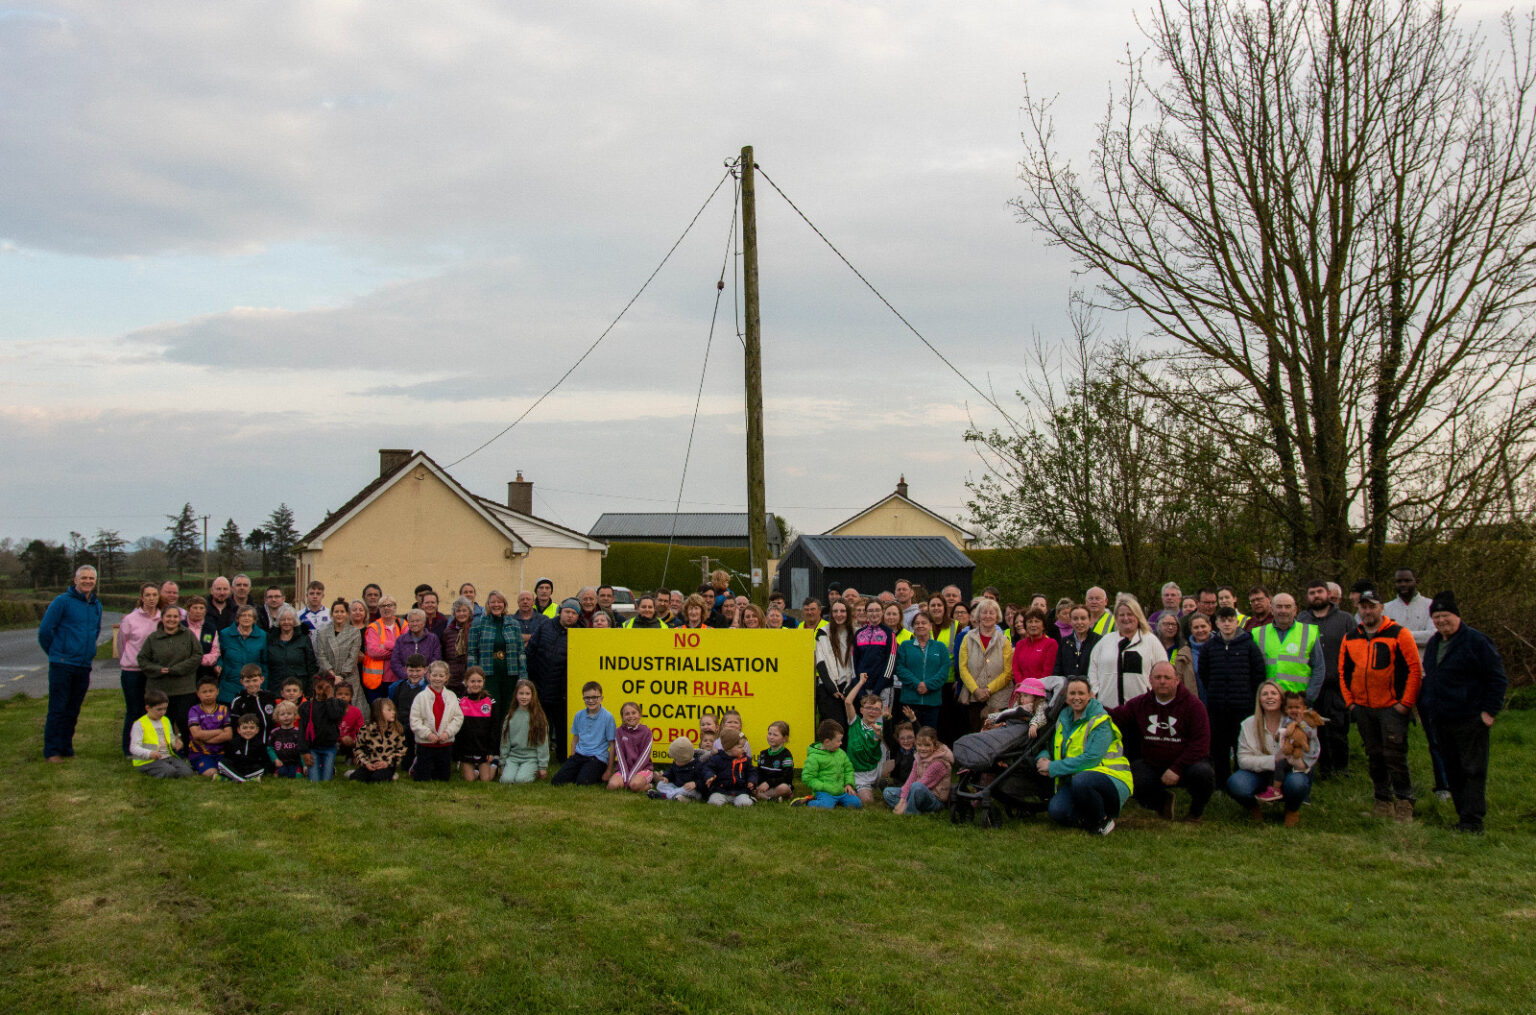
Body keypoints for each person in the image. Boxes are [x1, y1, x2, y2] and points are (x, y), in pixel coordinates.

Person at [1420, 591, 1506, 833]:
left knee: (1473, 770)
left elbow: (1497, 678)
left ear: (1456, 616)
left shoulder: (1476, 641)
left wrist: (1489, 712)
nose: (1441, 621)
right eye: (1436, 617)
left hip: (1470, 719)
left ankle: (1473, 821)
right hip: (1442, 718)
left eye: (1445, 615)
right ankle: (1463, 817)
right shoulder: (1436, 642)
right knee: (1453, 769)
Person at [1341, 589, 1423, 822]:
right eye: (1363, 607)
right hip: (1363, 707)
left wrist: (1405, 704)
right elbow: (1343, 671)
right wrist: (1351, 704)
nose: (1367, 611)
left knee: (1395, 755)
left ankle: (1405, 802)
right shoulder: (1351, 637)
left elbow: (1414, 670)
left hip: (1391, 707)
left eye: (1372, 606)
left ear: (1381, 608)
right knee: (1374, 755)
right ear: (1359, 609)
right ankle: (1382, 801)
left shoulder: (1399, 634)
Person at [1110, 661, 1214, 822]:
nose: (1162, 681)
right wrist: (1091, 704)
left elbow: (1200, 744)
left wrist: (1177, 768)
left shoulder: (1194, 706)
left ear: (1177, 680)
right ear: (1150, 680)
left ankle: (1195, 812)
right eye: (1158, 677)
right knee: (1130, 776)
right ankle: (1161, 802)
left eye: (1167, 677)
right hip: (1153, 763)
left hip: (1186, 765)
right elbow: (1117, 717)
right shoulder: (1140, 703)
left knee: (1204, 774)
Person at [1035, 675, 1132, 834]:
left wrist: (1052, 767)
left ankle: (1102, 820)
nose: (1076, 697)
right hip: (1076, 780)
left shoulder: (1101, 721)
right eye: (1072, 693)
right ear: (1066, 697)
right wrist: (1043, 758)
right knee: (1057, 811)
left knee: (1082, 780)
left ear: (1090, 696)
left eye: (1081, 693)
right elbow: (1050, 746)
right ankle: (1088, 818)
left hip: (1111, 778)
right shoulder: (1063, 718)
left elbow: (1090, 760)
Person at [1197, 606, 1267, 784]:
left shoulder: (1249, 645)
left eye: (1231, 620)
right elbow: (1204, 673)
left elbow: (1258, 673)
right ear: (1216, 623)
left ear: (1237, 622)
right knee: (1219, 745)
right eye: (1223, 620)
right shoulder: (1209, 647)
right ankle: (1221, 782)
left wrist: (1250, 697)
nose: (1227, 624)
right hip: (1217, 706)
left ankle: (1240, 779)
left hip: (1243, 706)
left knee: (1241, 744)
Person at [1298, 578, 1356, 779]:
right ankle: (1321, 768)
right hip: (1311, 685)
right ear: (1307, 597)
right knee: (1313, 728)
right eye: (1312, 593)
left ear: (1327, 594)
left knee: (1337, 728)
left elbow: (1356, 651)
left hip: (1337, 684)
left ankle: (1341, 769)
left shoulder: (1345, 619)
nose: (1316, 596)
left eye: (1319, 592)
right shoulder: (1302, 620)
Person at [1226, 681, 1308, 824]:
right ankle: (1253, 809)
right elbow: (1243, 760)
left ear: (1281, 698)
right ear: (1259, 700)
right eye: (1265, 694)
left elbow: (1306, 756)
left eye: (1274, 693)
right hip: (1258, 774)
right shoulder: (1248, 724)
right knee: (1236, 783)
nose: (1269, 697)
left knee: (1298, 782)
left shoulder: (1293, 723)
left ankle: (1292, 809)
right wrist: (1274, 760)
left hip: (1288, 773)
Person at [137, 601, 202, 748]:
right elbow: (142, 659)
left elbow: (197, 656)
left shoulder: (188, 635)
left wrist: (177, 669)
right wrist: (158, 669)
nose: (172, 619)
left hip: (184, 689)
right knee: (162, 723)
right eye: (168, 616)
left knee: (184, 721)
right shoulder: (153, 638)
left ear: (180, 618)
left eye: (175, 616)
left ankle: (186, 751)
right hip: (159, 689)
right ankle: (162, 751)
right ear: (162, 618)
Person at [1087, 597, 1167, 709]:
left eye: (1130, 614)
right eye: (1121, 615)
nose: (1126, 618)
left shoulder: (1150, 641)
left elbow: (1164, 670)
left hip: (1142, 708)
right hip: (1107, 708)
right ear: (1116, 618)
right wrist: (1095, 692)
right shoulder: (1105, 641)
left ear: (1137, 616)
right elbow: (1093, 670)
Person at [528, 599, 579, 762]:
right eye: (567, 612)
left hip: (561, 691)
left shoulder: (580, 634)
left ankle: (563, 757)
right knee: (538, 724)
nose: (570, 616)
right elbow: (531, 650)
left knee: (563, 726)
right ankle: (534, 756)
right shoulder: (545, 626)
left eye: (574, 613)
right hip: (539, 684)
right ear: (561, 611)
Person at [115, 582, 162, 757]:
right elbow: (122, 644)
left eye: (154, 595)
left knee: (150, 710)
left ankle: (148, 746)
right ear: (141, 597)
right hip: (133, 671)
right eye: (147, 595)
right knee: (134, 710)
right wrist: (129, 660)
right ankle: (128, 748)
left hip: (153, 671)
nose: (151, 599)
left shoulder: (162, 618)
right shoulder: (130, 619)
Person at [959, 598, 1013, 729]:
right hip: (974, 697)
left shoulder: (1004, 640)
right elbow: (963, 668)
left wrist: (989, 689)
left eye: (991, 612)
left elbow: (1008, 672)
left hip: (998, 699)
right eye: (984, 612)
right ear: (978, 615)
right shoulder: (968, 638)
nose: (987, 616)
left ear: (997, 616)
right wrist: (975, 690)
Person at [895, 611, 951, 732]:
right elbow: (900, 668)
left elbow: (944, 670)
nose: (920, 625)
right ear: (913, 627)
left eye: (924, 623)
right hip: (910, 701)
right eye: (917, 623)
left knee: (929, 737)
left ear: (930, 625)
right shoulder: (905, 646)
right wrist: (917, 684)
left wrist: (927, 685)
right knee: (909, 735)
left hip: (932, 701)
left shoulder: (940, 647)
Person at [551, 681, 615, 786]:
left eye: (595, 697)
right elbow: (575, 740)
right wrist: (572, 759)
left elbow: (612, 745)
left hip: (597, 757)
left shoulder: (608, 717)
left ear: (601, 698)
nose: (591, 701)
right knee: (557, 781)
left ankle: (592, 772)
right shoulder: (579, 715)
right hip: (579, 755)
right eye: (587, 698)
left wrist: (609, 770)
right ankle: (580, 770)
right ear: (583, 699)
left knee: (582, 782)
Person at [409, 660, 462, 782]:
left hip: (445, 742)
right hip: (426, 743)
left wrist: (447, 733)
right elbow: (415, 720)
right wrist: (428, 734)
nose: (437, 678)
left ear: (447, 677)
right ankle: (416, 764)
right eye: (434, 675)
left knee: (443, 778)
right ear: (428, 676)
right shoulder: (420, 697)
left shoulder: (451, 696)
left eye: (441, 676)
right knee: (422, 778)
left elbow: (458, 718)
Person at [883, 726, 953, 815]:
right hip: (915, 793)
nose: (923, 748)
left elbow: (923, 783)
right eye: (920, 745)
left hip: (933, 799)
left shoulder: (939, 763)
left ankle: (910, 812)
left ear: (934, 746)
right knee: (888, 792)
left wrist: (904, 800)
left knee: (917, 786)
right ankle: (910, 807)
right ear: (916, 745)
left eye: (927, 745)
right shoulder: (918, 758)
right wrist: (902, 800)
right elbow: (910, 780)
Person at [128, 690, 195, 778]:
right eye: (159, 709)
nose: (162, 712)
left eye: (165, 709)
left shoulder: (165, 720)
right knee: (170, 772)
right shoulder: (139, 724)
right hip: (148, 760)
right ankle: (159, 770)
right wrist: (149, 753)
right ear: (148, 708)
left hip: (167, 756)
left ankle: (168, 769)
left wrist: (176, 742)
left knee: (187, 772)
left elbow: (170, 736)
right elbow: (133, 747)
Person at [498, 679, 550, 784]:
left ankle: (532, 771)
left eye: (527, 694)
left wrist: (542, 766)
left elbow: (542, 744)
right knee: (506, 780)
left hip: (531, 757)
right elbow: (505, 742)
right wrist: (502, 764)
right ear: (516, 695)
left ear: (533, 695)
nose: (524, 697)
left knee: (521, 780)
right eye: (521, 693)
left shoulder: (538, 718)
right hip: (514, 757)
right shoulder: (510, 717)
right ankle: (513, 770)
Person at [799, 720, 861, 809]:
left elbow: (848, 769)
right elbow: (808, 778)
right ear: (827, 741)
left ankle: (836, 801)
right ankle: (809, 802)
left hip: (842, 791)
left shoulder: (841, 753)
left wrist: (849, 784)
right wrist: (824, 787)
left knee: (856, 803)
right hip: (825, 792)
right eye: (838, 741)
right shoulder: (814, 757)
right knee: (826, 806)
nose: (841, 743)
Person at [814, 599, 857, 726]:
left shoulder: (856, 633)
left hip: (849, 687)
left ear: (848, 613)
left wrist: (850, 687)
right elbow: (820, 661)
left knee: (850, 728)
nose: (839, 614)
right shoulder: (822, 632)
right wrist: (831, 688)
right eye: (835, 611)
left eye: (843, 611)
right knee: (833, 729)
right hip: (828, 689)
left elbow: (856, 664)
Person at [298, 676, 347, 782]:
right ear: (314, 688)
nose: (323, 691)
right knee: (314, 781)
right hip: (313, 748)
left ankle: (329, 769)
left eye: (327, 687)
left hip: (329, 747)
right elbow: (302, 730)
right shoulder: (307, 707)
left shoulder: (338, 704)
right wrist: (304, 752)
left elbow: (334, 715)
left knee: (326, 780)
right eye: (320, 687)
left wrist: (329, 697)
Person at [315, 600, 363, 705]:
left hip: (349, 677)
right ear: (332, 614)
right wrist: (332, 676)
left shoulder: (355, 632)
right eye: (336, 612)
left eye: (342, 611)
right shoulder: (322, 632)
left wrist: (341, 676)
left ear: (347, 614)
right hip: (328, 678)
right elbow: (321, 655)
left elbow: (353, 656)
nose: (339, 614)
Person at [455, 668, 498, 782]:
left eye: (479, 681)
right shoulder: (460, 700)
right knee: (469, 780)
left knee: (486, 780)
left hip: (483, 747)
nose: (476, 684)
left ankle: (494, 766)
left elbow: (494, 727)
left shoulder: (490, 701)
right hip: (467, 747)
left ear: (483, 681)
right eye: (472, 681)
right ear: (466, 682)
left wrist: (491, 751)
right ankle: (475, 770)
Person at [349, 699, 406, 783]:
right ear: (378, 712)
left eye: (394, 710)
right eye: (389, 710)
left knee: (378, 778)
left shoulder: (397, 730)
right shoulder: (365, 730)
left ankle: (391, 775)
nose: (393, 712)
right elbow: (358, 749)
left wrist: (387, 762)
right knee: (356, 778)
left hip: (387, 765)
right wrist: (366, 763)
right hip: (370, 763)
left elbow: (401, 750)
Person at [267, 605, 319, 697]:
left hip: (299, 687)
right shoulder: (271, 639)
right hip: (276, 688)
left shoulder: (304, 639)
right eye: (283, 619)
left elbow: (311, 666)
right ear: (278, 621)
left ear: (294, 621)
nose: (286, 622)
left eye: (289, 619)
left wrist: (310, 689)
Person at [361, 596, 406, 702]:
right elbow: (373, 652)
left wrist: (385, 644)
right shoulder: (373, 627)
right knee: (378, 713)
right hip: (377, 681)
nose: (386, 608)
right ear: (379, 609)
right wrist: (396, 651)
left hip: (398, 677)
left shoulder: (403, 624)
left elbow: (406, 648)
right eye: (383, 606)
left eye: (390, 605)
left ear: (395, 608)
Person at [185, 677, 231, 778]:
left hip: (221, 753)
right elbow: (196, 734)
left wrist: (205, 738)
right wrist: (219, 731)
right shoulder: (194, 710)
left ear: (217, 691)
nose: (208, 694)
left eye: (211, 691)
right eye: (204, 692)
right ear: (198, 694)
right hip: (200, 753)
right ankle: (200, 768)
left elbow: (228, 735)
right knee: (211, 773)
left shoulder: (224, 709)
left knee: (229, 770)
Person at [608, 702, 654, 793]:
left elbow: (644, 757)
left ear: (640, 715)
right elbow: (620, 756)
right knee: (612, 786)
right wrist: (626, 776)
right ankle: (629, 780)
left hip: (643, 768)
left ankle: (650, 784)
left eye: (634, 713)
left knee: (634, 786)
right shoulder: (619, 732)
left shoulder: (647, 732)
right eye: (627, 714)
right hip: (624, 769)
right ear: (622, 717)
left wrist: (630, 777)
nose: (631, 716)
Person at [391, 608, 444, 686]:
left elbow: (436, 659)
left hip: (427, 683)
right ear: (408, 623)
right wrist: (408, 676)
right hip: (405, 682)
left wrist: (422, 676)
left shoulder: (433, 639)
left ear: (423, 622)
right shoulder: (400, 640)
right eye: (412, 621)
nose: (414, 624)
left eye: (418, 621)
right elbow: (395, 662)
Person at [228, 664, 277, 744]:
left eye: (255, 680)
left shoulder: (270, 698)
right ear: (242, 682)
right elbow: (234, 726)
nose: (251, 684)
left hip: (270, 745)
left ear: (262, 679)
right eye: (247, 681)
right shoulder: (239, 701)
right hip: (250, 747)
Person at [218, 713, 271, 782]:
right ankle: (244, 780)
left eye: (252, 728)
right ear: (239, 730)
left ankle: (234, 779)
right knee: (222, 763)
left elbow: (265, 760)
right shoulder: (233, 743)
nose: (248, 730)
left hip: (250, 770)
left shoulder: (260, 744)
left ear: (257, 730)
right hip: (235, 768)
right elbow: (228, 757)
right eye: (245, 727)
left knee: (261, 769)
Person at [651, 736, 705, 801]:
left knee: (686, 790)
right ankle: (676, 797)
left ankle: (665, 796)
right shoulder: (676, 763)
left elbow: (704, 781)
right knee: (661, 784)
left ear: (684, 759)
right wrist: (666, 777)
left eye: (676, 759)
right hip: (676, 786)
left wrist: (695, 784)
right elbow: (671, 770)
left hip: (690, 789)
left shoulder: (698, 766)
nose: (674, 761)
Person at [1173, 612, 1213, 700]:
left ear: (1210, 626)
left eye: (1203, 626)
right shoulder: (1184, 654)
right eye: (1196, 627)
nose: (1200, 630)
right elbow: (1179, 682)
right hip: (1195, 703)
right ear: (1191, 629)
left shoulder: (1221, 647)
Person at [182, 596, 221, 685]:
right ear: (188, 610)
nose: (198, 611)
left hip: (205, 673)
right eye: (195, 608)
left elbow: (215, 652)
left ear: (205, 611)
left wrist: (198, 660)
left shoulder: (211, 628)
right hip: (184, 673)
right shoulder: (181, 627)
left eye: (201, 608)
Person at [1053, 604, 1100, 678]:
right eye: (1075, 619)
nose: (1079, 622)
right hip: (1068, 687)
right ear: (1071, 621)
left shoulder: (1098, 641)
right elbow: (1058, 669)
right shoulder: (1064, 642)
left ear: (1090, 620)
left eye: (1083, 618)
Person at [441, 597, 476, 692]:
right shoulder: (447, 632)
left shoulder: (476, 629)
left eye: (464, 610)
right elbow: (444, 655)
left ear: (469, 612)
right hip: (452, 680)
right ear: (454, 614)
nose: (461, 614)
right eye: (458, 611)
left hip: (472, 678)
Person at [755, 721, 796, 802]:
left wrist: (769, 783)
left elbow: (787, 777)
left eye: (775, 735)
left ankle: (761, 796)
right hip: (764, 786)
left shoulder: (786, 755)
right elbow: (759, 772)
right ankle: (770, 798)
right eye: (769, 734)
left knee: (784, 788)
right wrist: (757, 784)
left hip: (778, 785)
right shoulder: (763, 754)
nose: (771, 737)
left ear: (785, 738)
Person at [270, 701, 306, 778]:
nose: (286, 716)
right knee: (279, 774)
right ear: (277, 717)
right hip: (281, 762)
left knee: (297, 775)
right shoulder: (274, 733)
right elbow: (270, 748)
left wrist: (305, 765)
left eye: (289, 714)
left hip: (295, 762)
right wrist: (275, 759)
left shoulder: (298, 732)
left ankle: (298, 770)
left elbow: (303, 750)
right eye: (282, 714)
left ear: (295, 715)